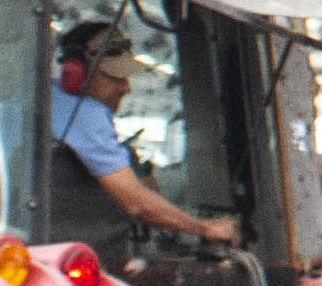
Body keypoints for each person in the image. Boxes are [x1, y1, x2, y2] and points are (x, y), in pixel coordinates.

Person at [51, 18, 238, 249]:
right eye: (115, 76)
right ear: (75, 74)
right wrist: (205, 227)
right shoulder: (85, 113)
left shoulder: (46, 98)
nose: (126, 87)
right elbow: (136, 206)